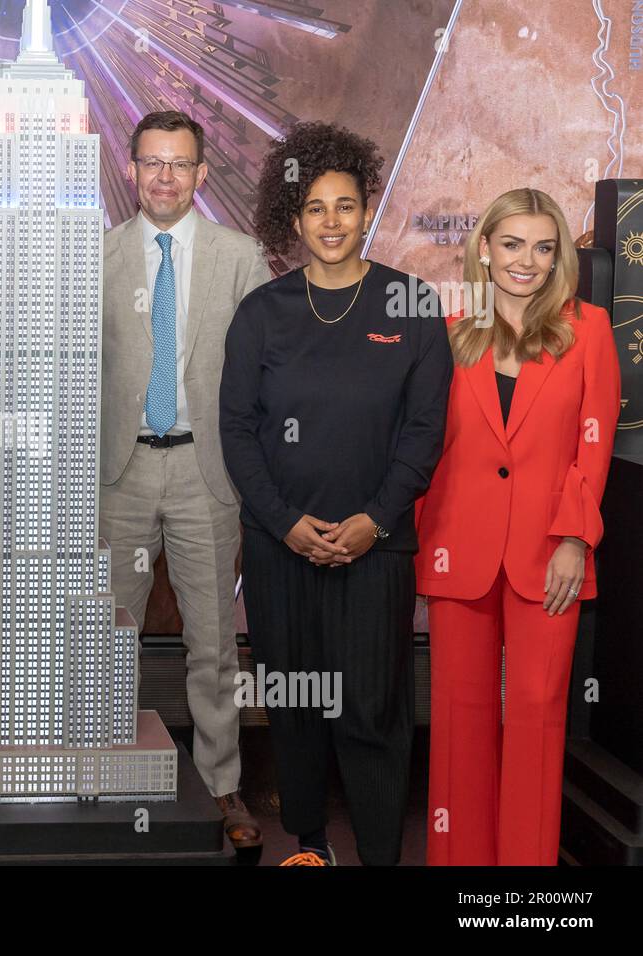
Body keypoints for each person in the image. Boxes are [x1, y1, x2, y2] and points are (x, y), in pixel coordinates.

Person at [219, 121, 453, 865]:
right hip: (279, 551)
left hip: (375, 554)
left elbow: (424, 433)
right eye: (316, 208)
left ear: (365, 210)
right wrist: (286, 525)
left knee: (372, 713)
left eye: (345, 206)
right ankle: (312, 848)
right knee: (295, 707)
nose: (331, 222)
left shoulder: (410, 307)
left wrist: (374, 522)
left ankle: (382, 854)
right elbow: (238, 432)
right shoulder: (261, 314)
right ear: (294, 219)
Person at [416, 188, 620, 866]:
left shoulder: (588, 328)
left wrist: (573, 540)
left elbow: (593, 444)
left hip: (550, 554)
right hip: (458, 551)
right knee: (458, 724)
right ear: (484, 248)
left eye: (543, 246)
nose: (526, 261)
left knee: (536, 721)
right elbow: (422, 444)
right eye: (511, 244)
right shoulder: (448, 327)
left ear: (559, 254)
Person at [99, 110, 271, 849]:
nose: (164, 176)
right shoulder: (95, 259)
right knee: (107, 636)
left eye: (179, 164)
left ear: (202, 175)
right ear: (131, 170)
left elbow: (270, 372)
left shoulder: (240, 259)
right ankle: (98, 770)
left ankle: (225, 787)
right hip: (120, 473)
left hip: (207, 473)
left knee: (212, 642)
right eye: (151, 163)